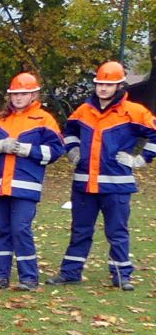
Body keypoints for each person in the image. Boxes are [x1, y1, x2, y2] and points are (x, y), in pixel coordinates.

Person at [51, 61, 156, 289]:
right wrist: (73, 151)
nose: (103, 89)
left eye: (108, 85)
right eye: (100, 84)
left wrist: (140, 159)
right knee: (80, 231)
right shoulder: (83, 111)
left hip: (116, 186)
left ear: (119, 86)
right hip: (84, 184)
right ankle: (70, 273)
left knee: (117, 232)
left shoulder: (134, 111)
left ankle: (121, 276)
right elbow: (68, 132)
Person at [0, 72, 64, 291]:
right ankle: (1, 276)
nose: (18, 98)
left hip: (26, 186)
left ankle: (29, 277)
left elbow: (56, 150)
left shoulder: (44, 119)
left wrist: (28, 150)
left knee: (21, 229)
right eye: (15, 94)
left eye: (23, 94)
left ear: (33, 94)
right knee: (3, 231)